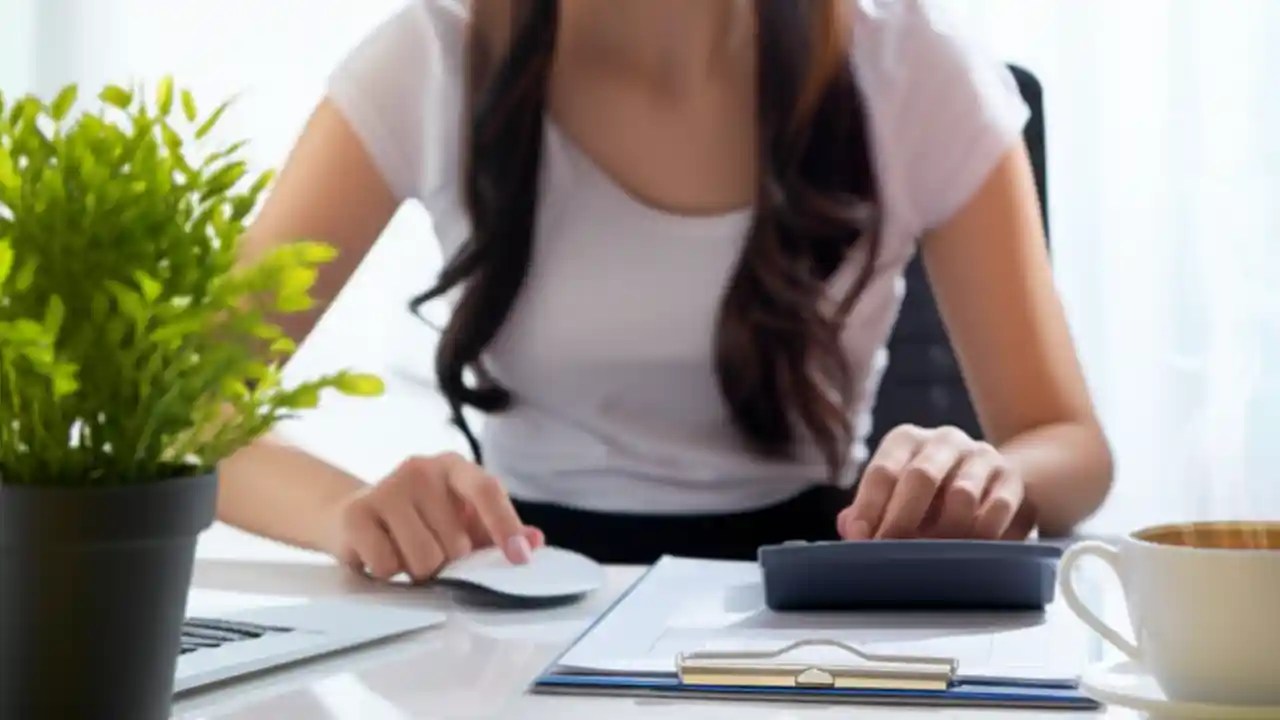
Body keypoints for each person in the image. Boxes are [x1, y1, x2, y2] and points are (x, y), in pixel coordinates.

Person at [218, 0, 1114, 578]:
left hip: (805, 605)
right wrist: (346, 513)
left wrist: (986, 474)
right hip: (519, 594)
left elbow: (1069, 447)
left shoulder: (913, 68)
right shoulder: (430, 60)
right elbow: (173, 420)